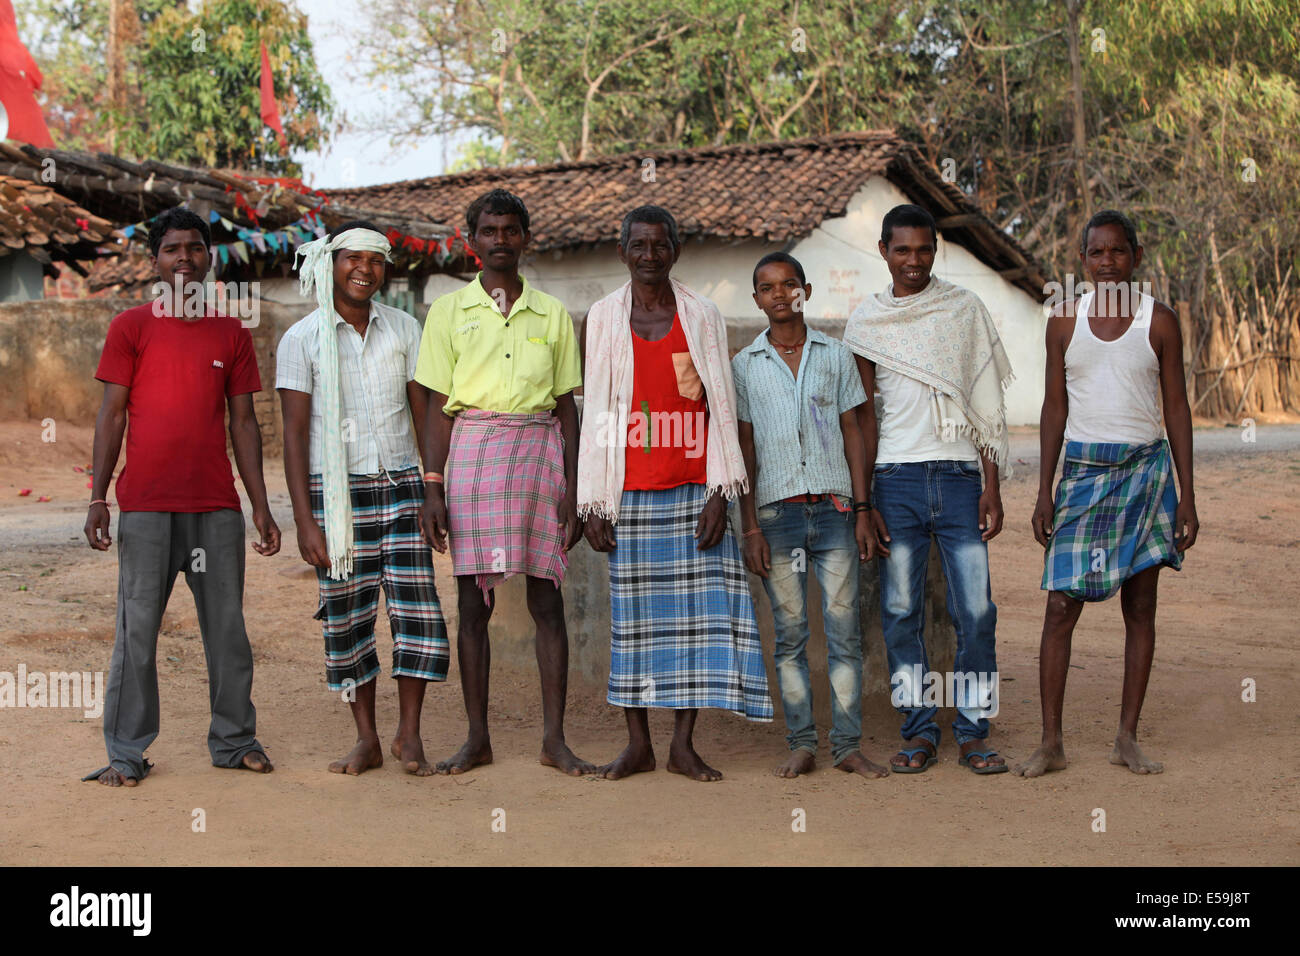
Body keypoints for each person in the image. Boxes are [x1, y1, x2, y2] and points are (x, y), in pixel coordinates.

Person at [82, 206, 280, 787]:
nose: (185, 259)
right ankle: (126, 753)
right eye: (172, 249)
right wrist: (98, 497)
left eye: (195, 248)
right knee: (136, 630)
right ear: (155, 260)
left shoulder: (231, 333)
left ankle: (234, 739)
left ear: (210, 258)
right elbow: (111, 413)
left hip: (215, 507)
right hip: (144, 505)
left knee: (227, 629)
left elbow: (244, 424)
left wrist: (260, 506)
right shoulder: (130, 328)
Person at [578, 205, 772, 783]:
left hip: (694, 490)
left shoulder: (702, 315)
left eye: (660, 246)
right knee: (634, 624)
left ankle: (683, 745)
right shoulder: (604, 317)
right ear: (622, 252)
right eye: (638, 245)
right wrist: (592, 500)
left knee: (696, 621)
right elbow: (595, 410)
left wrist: (720, 493)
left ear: (676, 251)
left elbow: (719, 403)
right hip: (628, 490)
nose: (649, 256)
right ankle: (637, 744)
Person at [415, 188, 592, 776]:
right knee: (473, 605)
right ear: (474, 241)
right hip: (473, 457)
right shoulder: (447, 312)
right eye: (489, 231)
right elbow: (438, 403)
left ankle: (554, 741)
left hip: (540, 453)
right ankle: (477, 739)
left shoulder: (552, 313)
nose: (500, 240)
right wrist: (433, 485)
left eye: (511, 230)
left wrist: (573, 487)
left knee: (547, 598)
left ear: (525, 238)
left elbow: (568, 406)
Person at [1015, 210, 1197, 778]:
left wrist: (1187, 495)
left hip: (1146, 474)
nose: (1108, 262)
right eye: (1097, 252)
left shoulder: (1159, 322)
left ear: (1136, 257)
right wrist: (1043, 490)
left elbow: (1176, 408)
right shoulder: (1064, 323)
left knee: (1140, 606)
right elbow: (1054, 408)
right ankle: (1051, 742)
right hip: (1084, 476)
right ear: (1083, 261)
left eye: (1118, 251)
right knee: (1059, 606)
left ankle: (1126, 737)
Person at [843, 203, 1012, 775]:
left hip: (962, 476)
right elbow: (862, 418)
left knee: (978, 612)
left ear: (935, 251)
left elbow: (986, 402)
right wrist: (864, 502)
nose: (913, 261)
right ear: (884, 251)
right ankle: (918, 732)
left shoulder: (962, 310)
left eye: (924, 249)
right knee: (899, 610)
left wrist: (991, 484)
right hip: (896, 480)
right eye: (902, 250)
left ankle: (973, 733)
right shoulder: (867, 321)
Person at [277, 220, 449, 776]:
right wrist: (306, 521)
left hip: (401, 486)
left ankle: (410, 735)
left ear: (384, 270)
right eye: (352, 259)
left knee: (417, 611)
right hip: (337, 495)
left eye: (374, 261)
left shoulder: (404, 329)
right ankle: (367, 737)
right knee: (347, 622)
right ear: (331, 265)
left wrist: (431, 486)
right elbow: (295, 435)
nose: (364, 270)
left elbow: (424, 412)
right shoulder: (302, 339)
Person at [734, 252, 889, 780]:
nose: (780, 294)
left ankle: (846, 746)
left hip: (837, 510)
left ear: (806, 291)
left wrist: (864, 508)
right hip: (776, 517)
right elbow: (745, 449)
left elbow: (854, 430)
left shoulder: (835, 355)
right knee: (791, 634)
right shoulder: (745, 365)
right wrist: (749, 524)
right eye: (767, 287)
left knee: (845, 633)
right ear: (756, 298)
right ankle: (802, 742)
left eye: (789, 285)